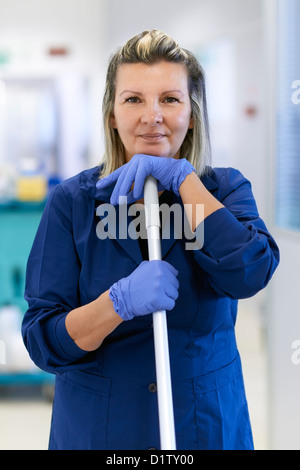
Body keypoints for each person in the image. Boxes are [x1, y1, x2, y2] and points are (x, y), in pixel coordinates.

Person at [22, 30, 279, 450]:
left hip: (203, 426)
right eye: (134, 99)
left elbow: (250, 271)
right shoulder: (73, 202)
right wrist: (116, 303)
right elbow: (42, 339)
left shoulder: (225, 190)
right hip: (101, 429)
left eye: (171, 99)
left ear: (192, 115)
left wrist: (185, 182)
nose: (152, 115)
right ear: (112, 115)